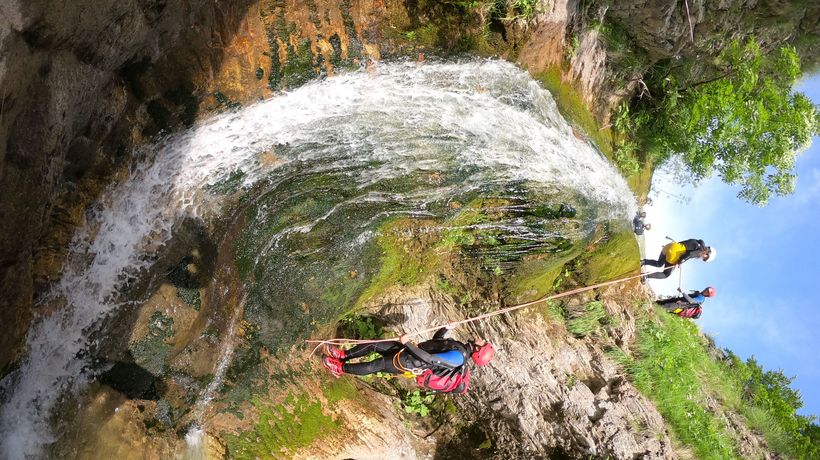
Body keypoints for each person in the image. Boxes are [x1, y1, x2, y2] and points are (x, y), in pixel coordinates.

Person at [321, 325, 495, 394]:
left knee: (376, 365)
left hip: (410, 362)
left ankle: (340, 369)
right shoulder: (460, 347)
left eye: (484, 343)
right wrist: (445, 328)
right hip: (408, 351)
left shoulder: (458, 358)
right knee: (374, 345)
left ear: (479, 350)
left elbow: (430, 359)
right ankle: (343, 355)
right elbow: (436, 341)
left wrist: (408, 344)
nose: (482, 339)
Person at [641, 238, 715, 279]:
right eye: (705, 258)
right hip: (674, 254)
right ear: (707, 254)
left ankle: (643, 262)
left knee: (659, 263)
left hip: (670, 246)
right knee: (666, 274)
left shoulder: (696, 241)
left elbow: (685, 247)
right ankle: (646, 276)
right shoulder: (700, 250)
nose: (703, 258)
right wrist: (680, 262)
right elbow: (689, 254)